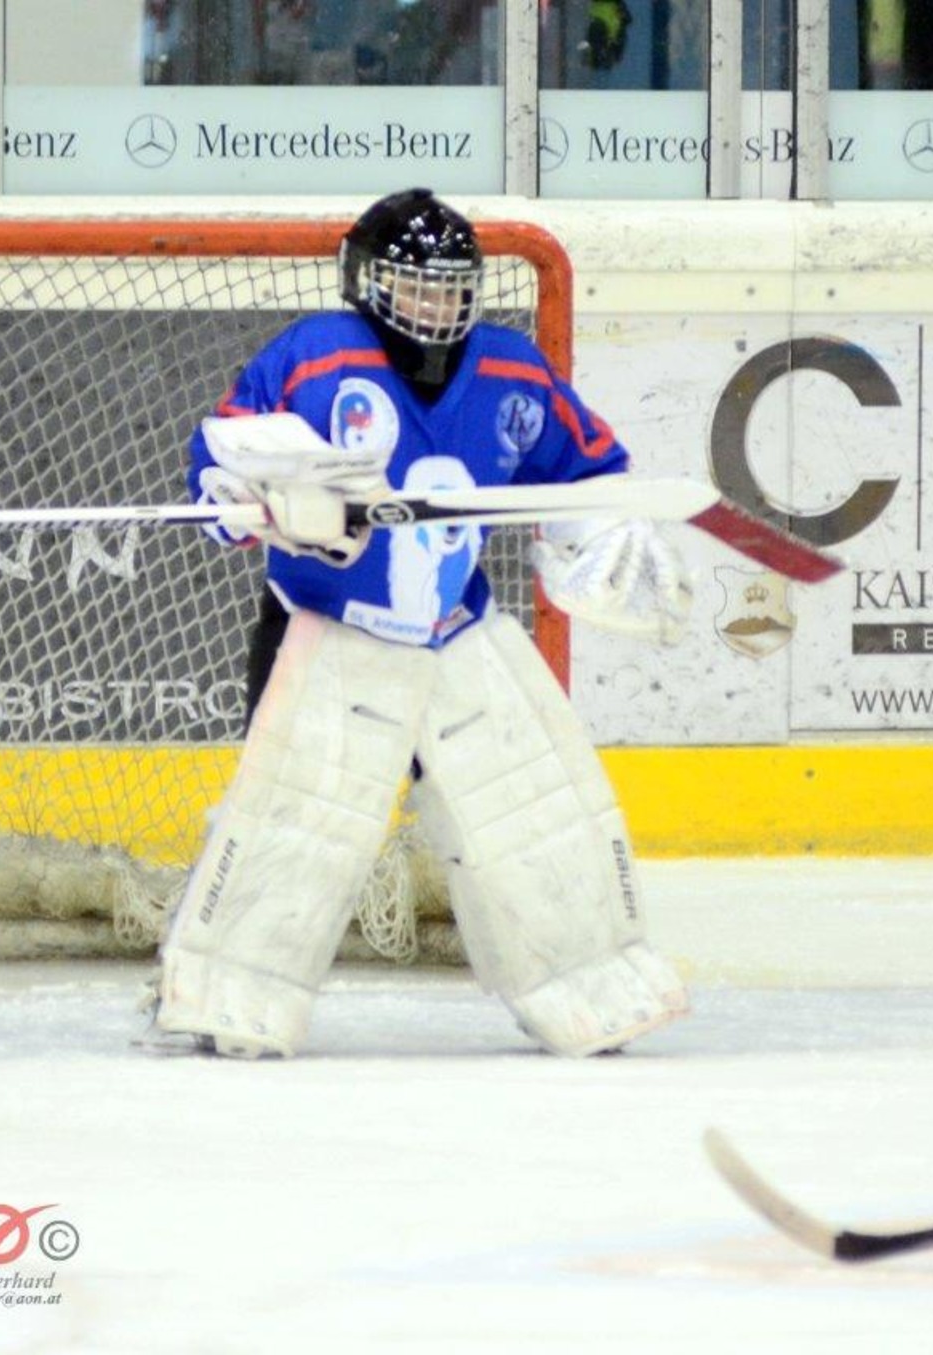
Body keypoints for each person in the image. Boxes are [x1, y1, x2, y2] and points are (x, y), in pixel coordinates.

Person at [148, 187, 693, 1060]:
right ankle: (226, 990)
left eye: (451, 288)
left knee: (534, 813)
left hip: (457, 629)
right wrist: (252, 501)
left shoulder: (512, 370)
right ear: (367, 282)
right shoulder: (315, 356)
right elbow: (224, 453)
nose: (436, 306)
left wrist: (600, 533)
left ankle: (592, 983)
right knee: (298, 823)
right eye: (414, 286)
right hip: (329, 629)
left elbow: (583, 469)